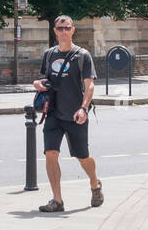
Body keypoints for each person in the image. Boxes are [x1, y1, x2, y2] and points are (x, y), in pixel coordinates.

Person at [32, 15, 103, 213]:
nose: (63, 31)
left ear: (73, 30)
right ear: (54, 31)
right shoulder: (49, 55)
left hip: (75, 114)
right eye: (60, 28)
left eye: (67, 28)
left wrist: (83, 108)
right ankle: (57, 200)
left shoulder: (82, 55)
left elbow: (89, 85)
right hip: (53, 113)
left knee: (82, 157)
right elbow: (45, 79)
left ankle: (95, 183)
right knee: (50, 154)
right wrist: (37, 84)